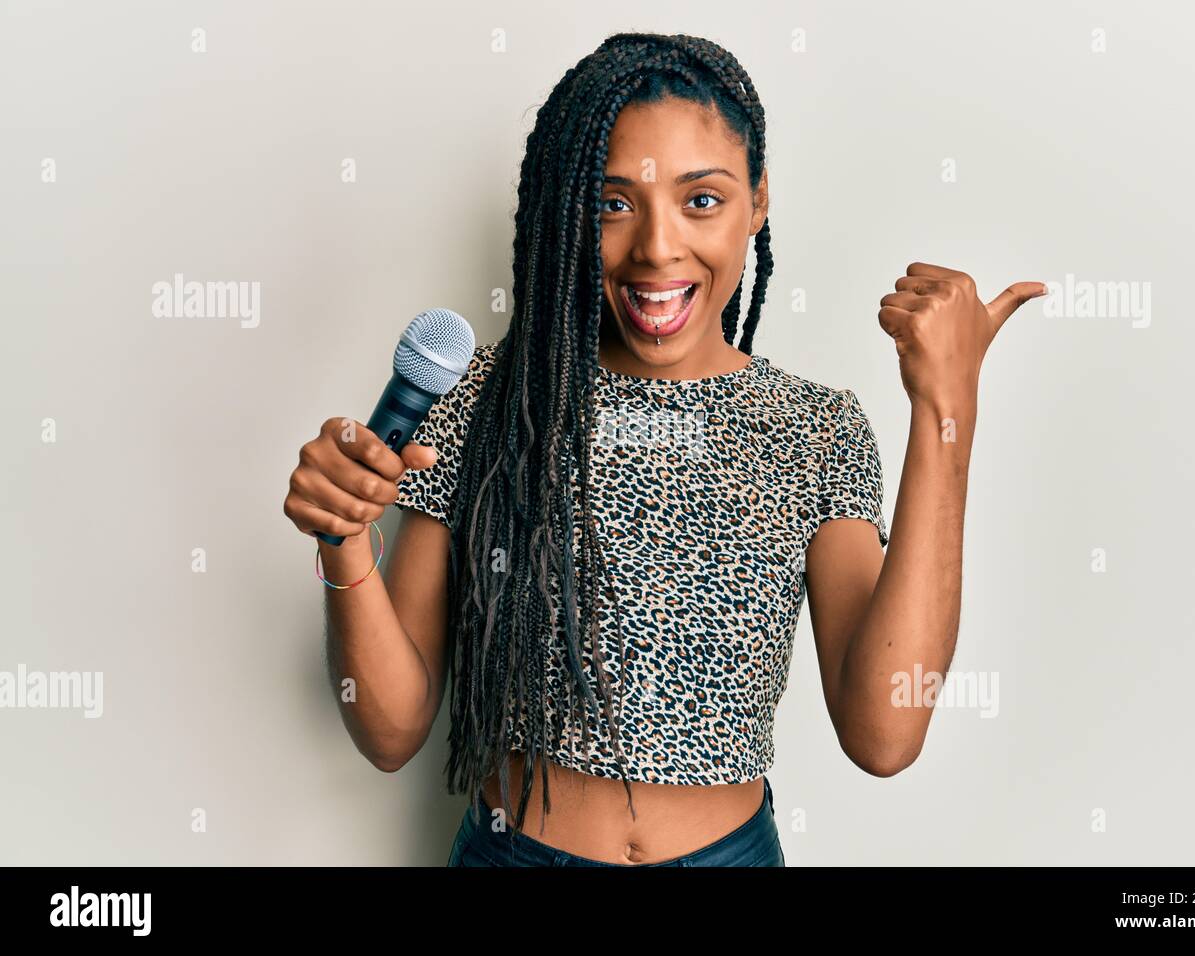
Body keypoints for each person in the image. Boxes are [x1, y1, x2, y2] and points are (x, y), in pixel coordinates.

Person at [282, 31, 1045, 867]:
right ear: (569, 212)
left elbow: (886, 733)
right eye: (612, 203)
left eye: (702, 201)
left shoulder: (815, 429)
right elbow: (391, 733)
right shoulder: (491, 400)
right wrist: (344, 543)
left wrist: (947, 410)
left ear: (758, 201)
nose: (656, 246)